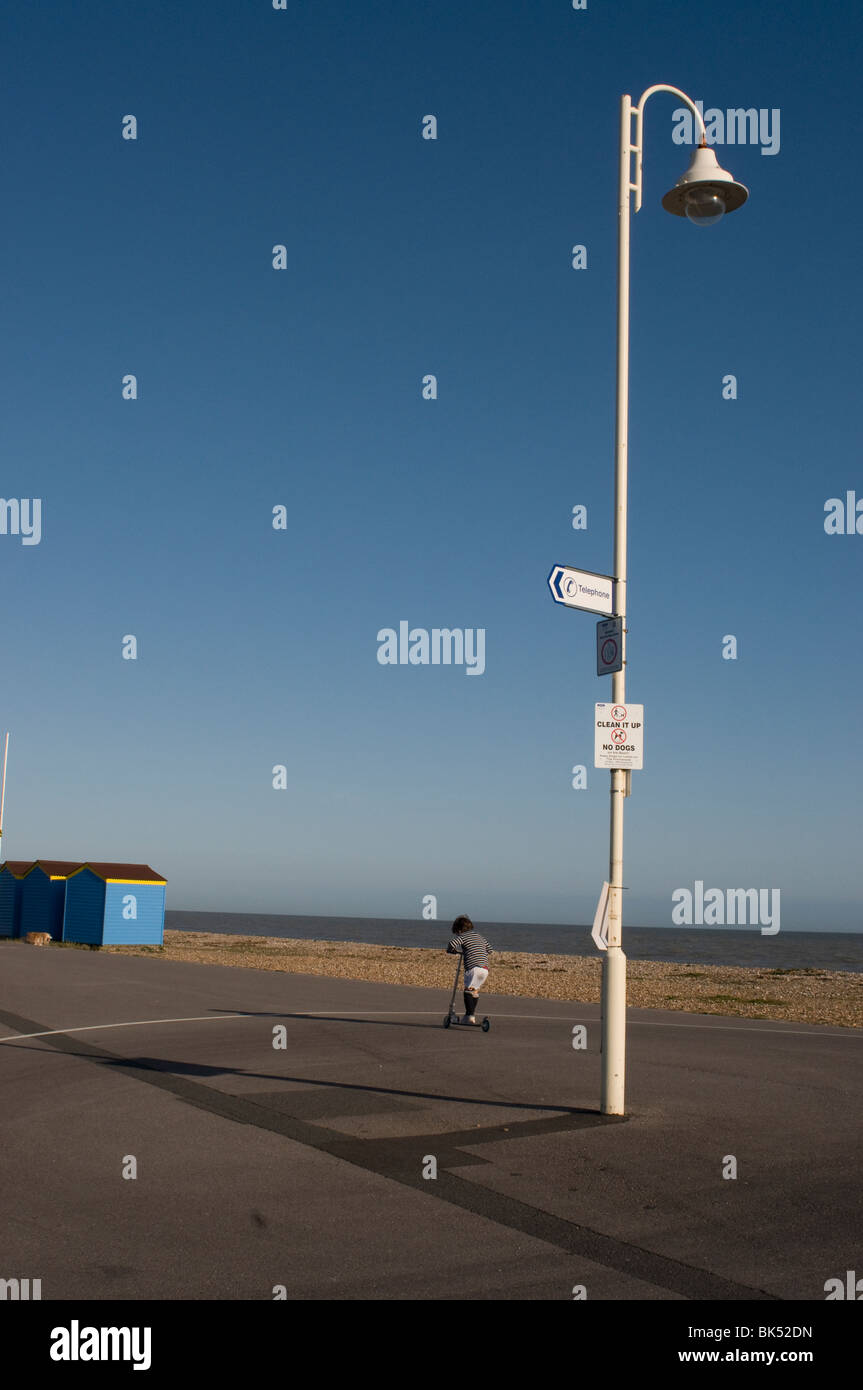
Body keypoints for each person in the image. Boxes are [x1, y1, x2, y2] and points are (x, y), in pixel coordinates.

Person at [446, 914, 492, 1024]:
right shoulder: (479, 936)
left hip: (473, 968)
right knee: (474, 991)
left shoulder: (463, 936)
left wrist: (451, 951)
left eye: (456, 932)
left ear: (459, 930)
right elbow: (490, 950)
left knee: (467, 991)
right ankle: (470, 1015)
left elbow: (452, 944)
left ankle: (469, 1016)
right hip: (484, 969)